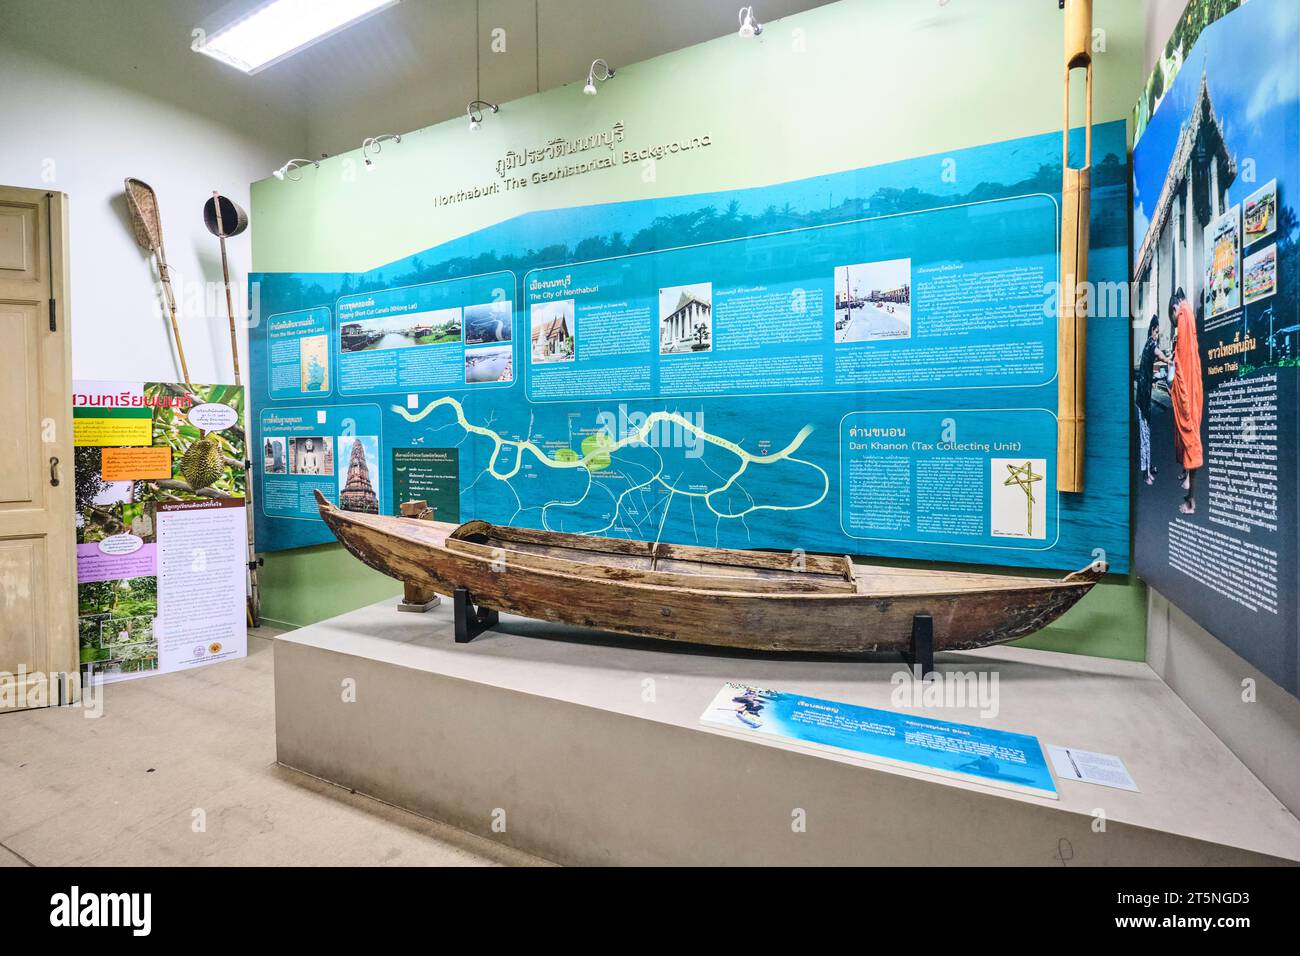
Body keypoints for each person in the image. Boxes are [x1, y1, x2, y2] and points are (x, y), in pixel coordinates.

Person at [1168, 290, 1203, 513]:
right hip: (1194, 383)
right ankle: (1187, 476)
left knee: (1190, 435)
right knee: (1190, 432)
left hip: (1187, 387)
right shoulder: (1189, 314)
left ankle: (1191, 501)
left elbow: (1179, 365)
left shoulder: (1182, 316)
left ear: (1174, 310)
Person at [1134, 315, 1169, 485]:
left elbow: (1149, 367)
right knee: (1145, 435)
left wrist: (1154, 377)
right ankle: (1145, 473)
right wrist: (1170, 360)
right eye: (1157, 332)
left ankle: (1147, 469)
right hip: (1143, 397)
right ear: (1153, 330)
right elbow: (1160, 355)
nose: (1158, 335)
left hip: (1143, 395)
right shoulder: (1151, 344)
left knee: (1146, 434)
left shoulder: (1147, 345)